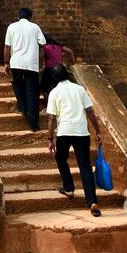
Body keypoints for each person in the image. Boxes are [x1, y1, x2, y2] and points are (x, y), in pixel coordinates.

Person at [46, 66, 103, 216]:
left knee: (60, 158)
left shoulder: (54, 92)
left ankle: (68, 187)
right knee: (85, 166)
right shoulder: (80, 89)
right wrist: (97, 131)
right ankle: (92, 201)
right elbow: (89, 111)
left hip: (64, 132)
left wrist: (50, 139)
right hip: (81, 132)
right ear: (67, 75)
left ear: (54, 79)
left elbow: (52, 118)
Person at [3, 6, 45, 132]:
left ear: (18, 16)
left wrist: (6, 62)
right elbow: (43, 45)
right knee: (32, 92)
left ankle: (22, 106)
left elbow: (7, 47)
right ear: (30, 17)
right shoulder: (35, 27)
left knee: (17, 85)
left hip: (15, 63)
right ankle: (33, 124)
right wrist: (39, 59)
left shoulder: (11, 27)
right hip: (31, 64)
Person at [40, 33, 76, 100]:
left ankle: (48, 104)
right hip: (60, 69)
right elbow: (70, 51)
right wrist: (73, 63)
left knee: (44, 88)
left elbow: (40, 56)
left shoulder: (45, 47)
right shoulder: (59, 46)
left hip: (49, 70)